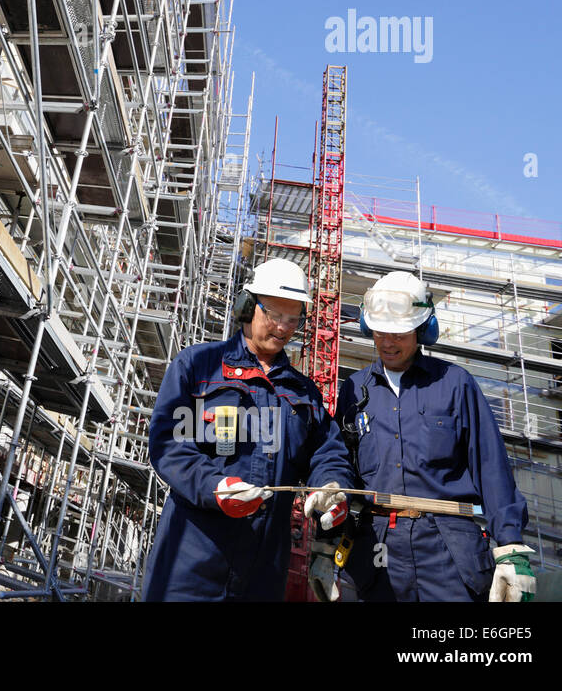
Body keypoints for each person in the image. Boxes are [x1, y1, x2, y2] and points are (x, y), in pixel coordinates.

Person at [141, 258, 354, 601]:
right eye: (273, 314)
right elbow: (170, 445)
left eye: (293, 318)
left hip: (262, 572)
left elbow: (327, 453)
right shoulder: (199, 367)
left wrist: (332, 486)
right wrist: (214, 486)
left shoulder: (303, 394)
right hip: (190, 562)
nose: (283, 328)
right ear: (247, 307)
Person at [334, 271, 534, 602]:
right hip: (377, 547)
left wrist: (510, 546)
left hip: (448, 548)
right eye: (380, 332)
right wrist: (328, 543)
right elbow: (341, 464)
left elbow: (491, 466)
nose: (387, 342)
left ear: (422, 330)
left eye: (398, 334)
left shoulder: (455, 383)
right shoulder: (354, 389)